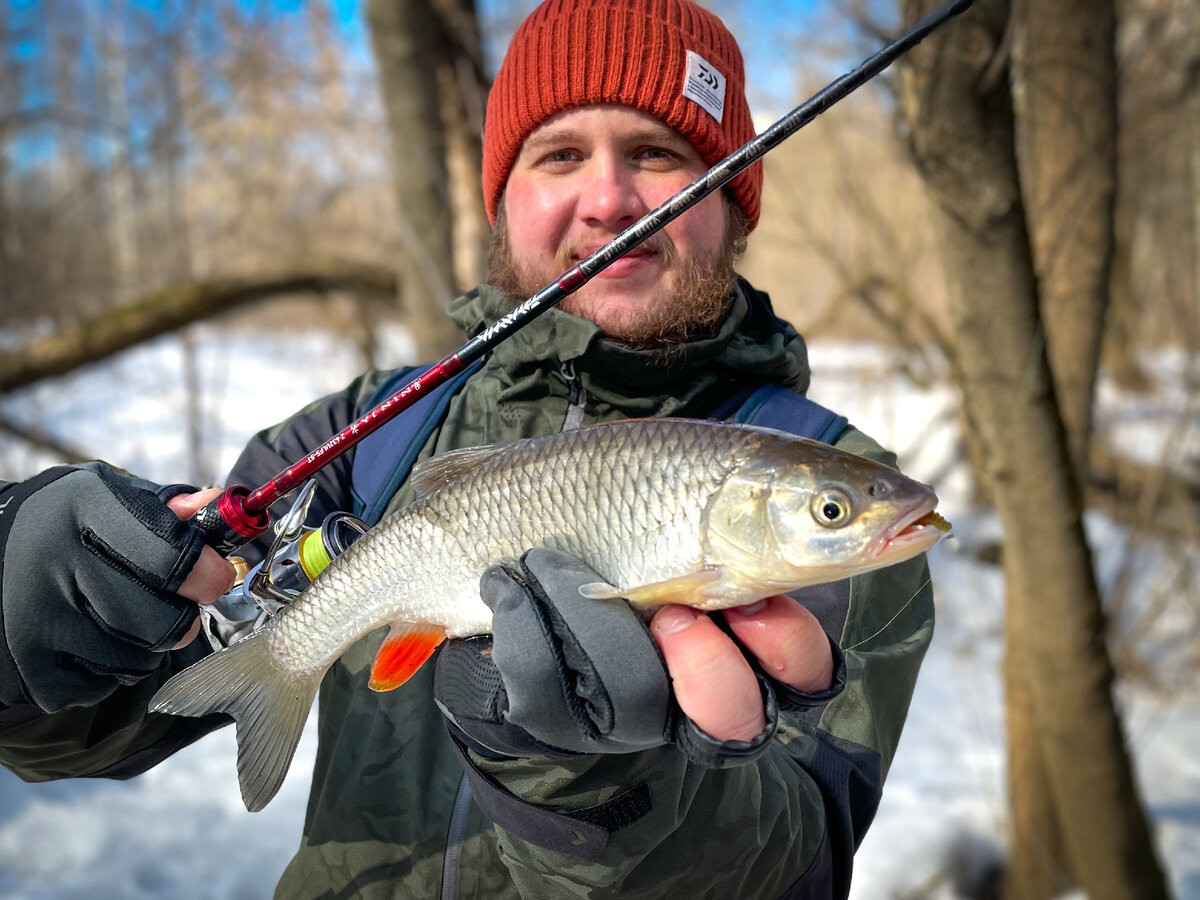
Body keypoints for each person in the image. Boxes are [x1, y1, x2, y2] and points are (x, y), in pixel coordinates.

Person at [0, 0, 935, 896]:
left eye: (658, 154)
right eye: (559, 154)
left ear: (736, 203)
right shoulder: (372, 431)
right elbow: (95, 728)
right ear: (502, 198)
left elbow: (802, 872)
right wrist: (26, 623)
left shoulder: (833, 474)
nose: (609, 200)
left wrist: (595, 800)